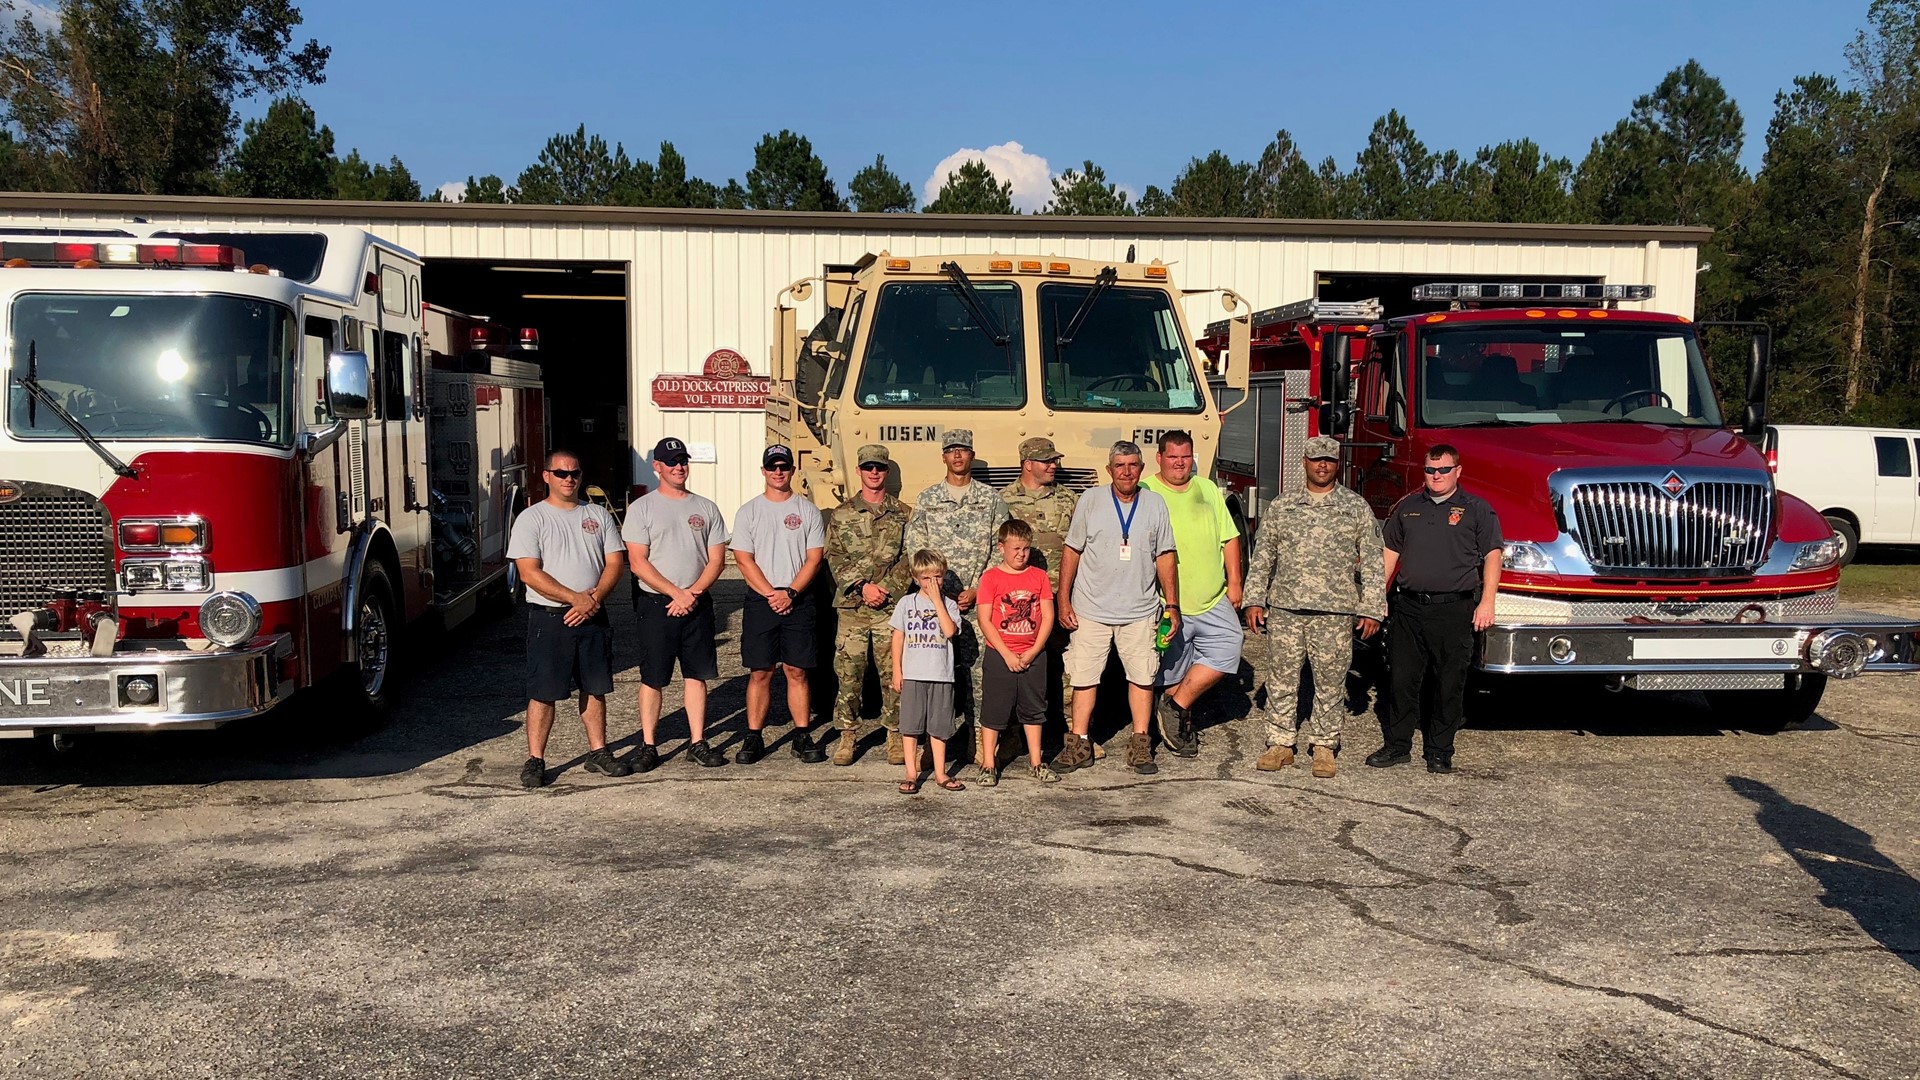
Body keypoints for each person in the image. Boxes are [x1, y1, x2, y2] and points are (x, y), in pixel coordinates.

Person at [1243, 435, 1387, 779]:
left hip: (1335, 612)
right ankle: (1280, 743)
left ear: (1337, 465)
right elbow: (1263, 556)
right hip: (1286, 609)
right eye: (1316, 459)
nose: (1322, 465)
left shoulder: (1355, 507)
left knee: (1331, 681)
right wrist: (1253, 599)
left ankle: (1324, 745)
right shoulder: (1283, 506)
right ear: (1304, 462)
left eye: (1330, 460)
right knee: (1280, 679)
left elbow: (1372, 561)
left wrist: (1372, 608)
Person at [1366, 444, 1503, 774]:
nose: (1436, 476)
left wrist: (1487, 602)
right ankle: (1397, 746)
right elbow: (1389, 556)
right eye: (1430, 470)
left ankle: (1440, 750)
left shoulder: (1476, 510)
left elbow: (1493, 556)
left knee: (1448, 683)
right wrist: (1376, 599)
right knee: (1401, 680)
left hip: (1454, 609)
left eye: (1443, 470)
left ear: (1458, 471)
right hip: (1409, 608)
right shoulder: (1408, 508)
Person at [505, 449, 631, 788]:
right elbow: (529, 573)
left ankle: (598, 751)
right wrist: (574, 598)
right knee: (544, 691)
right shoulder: (532, 519)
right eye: (560, 473)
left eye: (574, 472)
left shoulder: (598, 515)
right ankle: (535, 759)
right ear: (546, 476)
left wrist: (593, 600)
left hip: (593, 614)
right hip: (550, 618)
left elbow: (615, 562)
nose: (569, 479)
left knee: (595, 687)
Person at [1051, 441, 1178, 776]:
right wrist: (1063, 598)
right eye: (1119, 465)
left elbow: (1165, 555)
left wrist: (1173, 604)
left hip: (1139, 609)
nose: (1126, 471)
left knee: (1142, 677)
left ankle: (1140, 744)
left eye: (1133, 465)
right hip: (1090, 608)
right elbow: (1071, 551)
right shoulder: (1090, 501)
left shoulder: (1155, 504)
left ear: (1142, 468)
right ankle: (1078, 744)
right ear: (1109, 470)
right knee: (1084, 677)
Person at [622, 436, 731, 771]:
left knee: (696, 675)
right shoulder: (642, 508)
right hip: (657, 605)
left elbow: (717, 560)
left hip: (695, 602)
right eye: (671, 462)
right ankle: (649, 745)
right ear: (657, 467)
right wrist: (675, 593)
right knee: (653, 677)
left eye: (683, 460)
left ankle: (697, 741)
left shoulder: (706, 507)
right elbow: (638, 562)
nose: (679, 467)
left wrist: (692, 593)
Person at [901, 428, 1010, 762]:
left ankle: (979, 742)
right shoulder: (928, 499)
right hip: (935, 605)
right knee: (933, 678)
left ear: (971, 456)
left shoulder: (991, 499)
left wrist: (979, 588)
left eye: (963, 450)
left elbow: (1000, 549)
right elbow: (915, 548)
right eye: (952, 451)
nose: (958, 456)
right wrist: (937, 592)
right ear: (943, 457)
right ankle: (931, 744)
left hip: (978, 603)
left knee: (977, 676)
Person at [1142, 430, 1244, 758]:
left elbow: (1229, 538)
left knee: (1230, 647)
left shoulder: (1207, 489)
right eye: (1173, 457)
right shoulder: (1147, 491)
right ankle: (1175, 724)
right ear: (1159, 458)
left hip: (1212, 597)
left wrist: (1236, 581)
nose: (1180, 463)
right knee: (1171, 668)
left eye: (1185, 457)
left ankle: (1175, 707)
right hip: (1165, 602)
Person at [998, 436, 1100, 760]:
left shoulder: (1070, 500)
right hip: (1021, 604)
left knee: (1070, 670)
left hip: (1064, 598)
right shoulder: (1003, 501)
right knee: (1022, 671)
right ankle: (1016, 737)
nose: (1054, 465)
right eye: (1046, 460)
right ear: (1028, 464)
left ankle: (1075, 735)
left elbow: (1085, 545)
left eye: (1054, 460)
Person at [732, 444, 830, 765]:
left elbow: (814, 559)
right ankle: (753, 735)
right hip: (762, 600)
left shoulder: (808, 511)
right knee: (761, 671)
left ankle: (802, 734)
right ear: (763, 471)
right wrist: (771, 594)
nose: (778, 472)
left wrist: (790, 593)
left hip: (798, 600)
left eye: (783, 467)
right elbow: (744, 560)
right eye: (772, 467)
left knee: (796, 671)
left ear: (791, 470)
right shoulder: (749, 511)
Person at [824, 443, 915, 766]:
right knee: (849, 674)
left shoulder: (904, 514)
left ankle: (895, 734)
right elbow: (833, 555)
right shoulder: (843, 514)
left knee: (894, 674)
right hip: (853, 608)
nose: (873, 472)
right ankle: (847, 735)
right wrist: (863, 587)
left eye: (879, 467)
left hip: (890, 608)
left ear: (886, 472)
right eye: (868, 468)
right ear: (860, 471)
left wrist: (886, 589)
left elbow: (911, 557)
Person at [974, 519, 1060, 785]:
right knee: (994, 711)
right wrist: (1007, 654)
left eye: (1026, 549)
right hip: (1000, 655)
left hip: (1033, 655)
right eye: (1016, 549)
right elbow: (985, 619)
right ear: (1002, 547)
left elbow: (1047, 616)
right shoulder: (990, 578)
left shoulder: (1039, 577)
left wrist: (1035, 651)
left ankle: (1036, 762)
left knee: (1034, 710)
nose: (1021, 554)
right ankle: (989, 763)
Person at [891, 549, 965, 794]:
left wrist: (936, 600)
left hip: (941, 674)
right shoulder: (906, 603)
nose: (932, 582)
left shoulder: (950, 604)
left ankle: (941, 772)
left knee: (940, 726)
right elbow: (898, 637)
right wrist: (896, 670)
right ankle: (911, 773)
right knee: (911, 726)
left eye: (937, 577)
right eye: (926, 578)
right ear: (915, 578)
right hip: (913, 673)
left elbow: (950, 631)